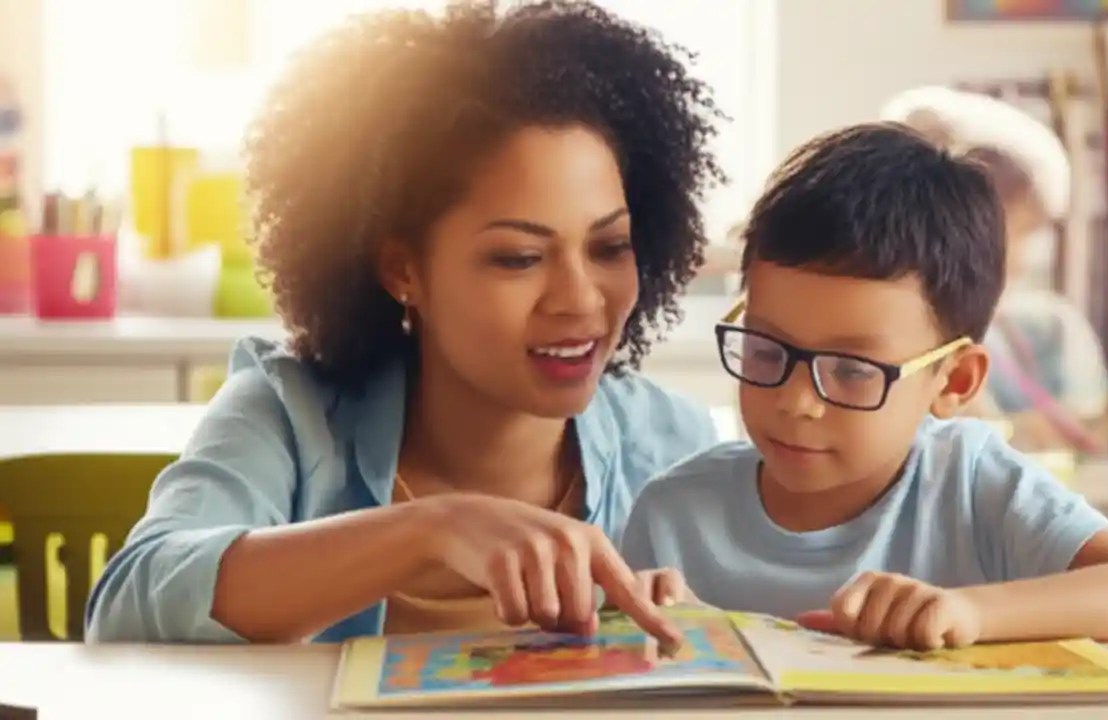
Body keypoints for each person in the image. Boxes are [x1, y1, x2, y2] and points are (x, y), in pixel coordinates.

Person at [87, 1, 723, 645]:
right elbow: (127, 609)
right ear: (403, 270)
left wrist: (777, 620)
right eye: (519, 258)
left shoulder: (673, 445)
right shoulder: (290, 416)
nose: (581, 300)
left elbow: (775, 647)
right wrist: (432, 531)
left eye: (609, 248)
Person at [622, 124, 1108, 650]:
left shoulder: (971, 486)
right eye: (765, 349)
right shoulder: (672, 513)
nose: (796, 402)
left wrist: (971, 611)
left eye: (852, 370)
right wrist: (626, 623)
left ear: (954, 380)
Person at [881, 86, 1108, 453]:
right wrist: (1019, 434)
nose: (1020, 260)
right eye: (1020, 233)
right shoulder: (902, 338)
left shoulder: (1036, 331)